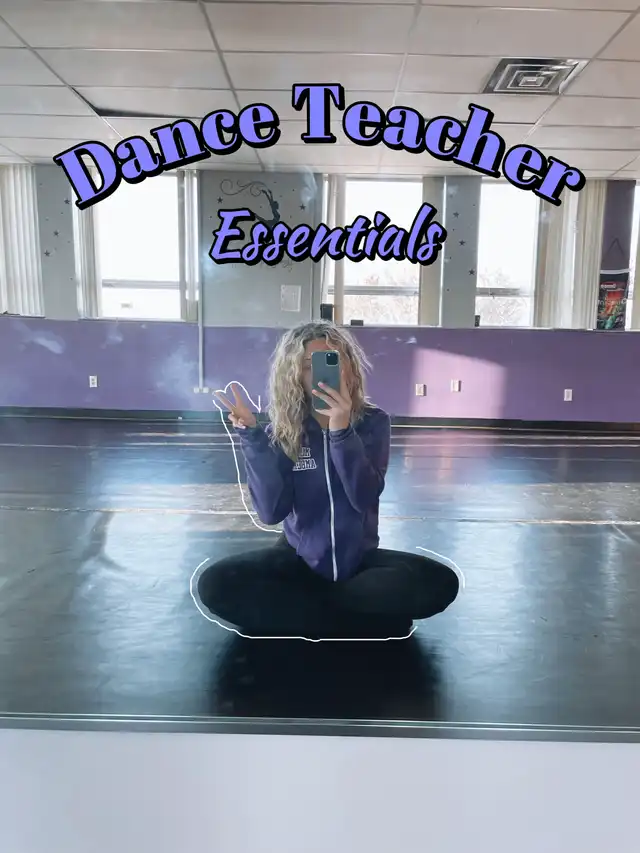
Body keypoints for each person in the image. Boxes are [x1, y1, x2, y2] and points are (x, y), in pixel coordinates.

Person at [197, 321, 459, 639]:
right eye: (309, 366)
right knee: (216, 585)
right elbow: (270, 512)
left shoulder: (373, 422)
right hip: (297, 560)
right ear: (295, 375)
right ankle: (359, 617)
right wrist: (253, 437)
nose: (320, 374)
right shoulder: (283, 429)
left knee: (440, 583)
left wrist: (341, 430)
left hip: (360, 562)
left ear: (349, 366)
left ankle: (310, 614)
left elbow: (363, 496)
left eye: (331, 361)